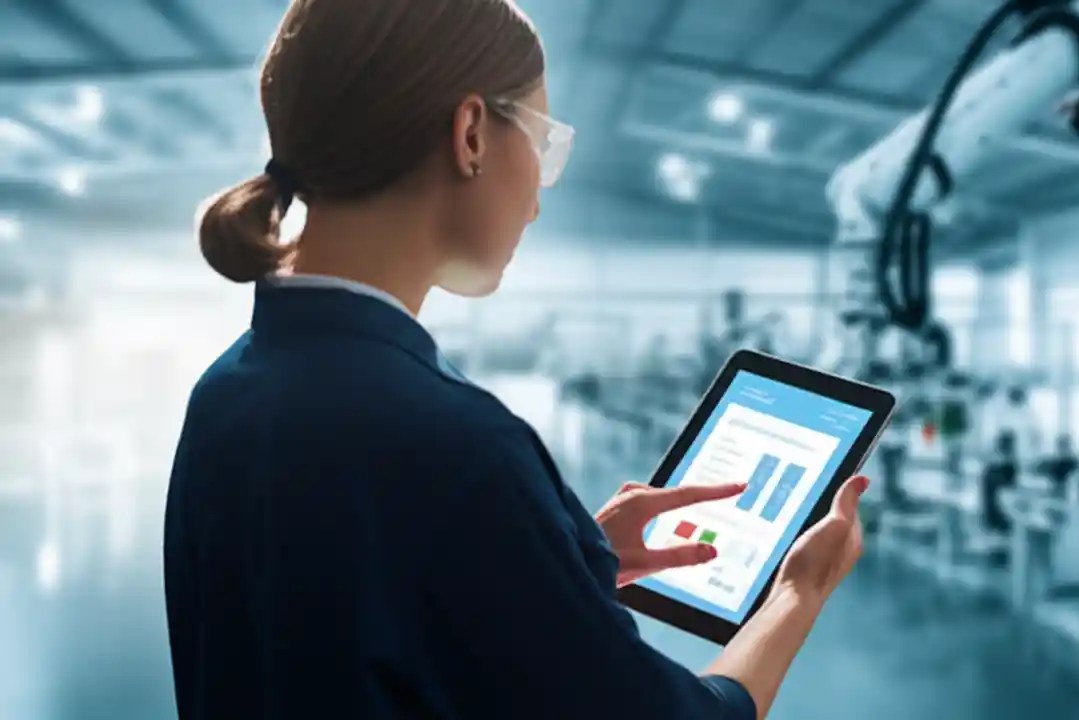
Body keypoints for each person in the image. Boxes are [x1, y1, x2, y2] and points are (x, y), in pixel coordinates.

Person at [164, 1, 870, 719]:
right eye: (541, 141)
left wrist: (567, 557)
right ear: (470, 134)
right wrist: (797, 593)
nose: (536, 195)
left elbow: (358, 619)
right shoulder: (458, 448)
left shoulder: (227, 392)